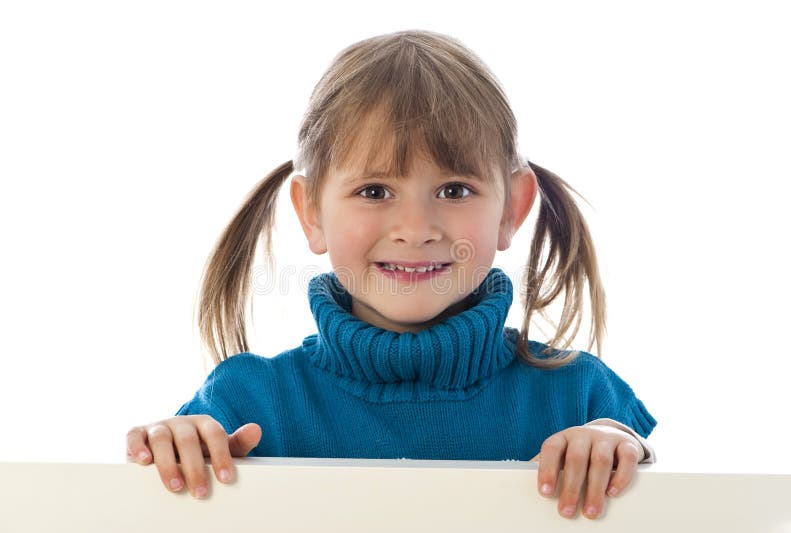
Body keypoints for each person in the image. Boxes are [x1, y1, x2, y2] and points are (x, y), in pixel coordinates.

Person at [126, 29, 656, 520]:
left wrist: (618, 446)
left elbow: (672, 508)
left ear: (510, 210)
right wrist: (175, 449)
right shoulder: (245, 406)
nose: (415, 229)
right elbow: (156, 505)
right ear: (312, 213)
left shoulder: (578, 397)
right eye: (375, 191)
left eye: (454, 190)